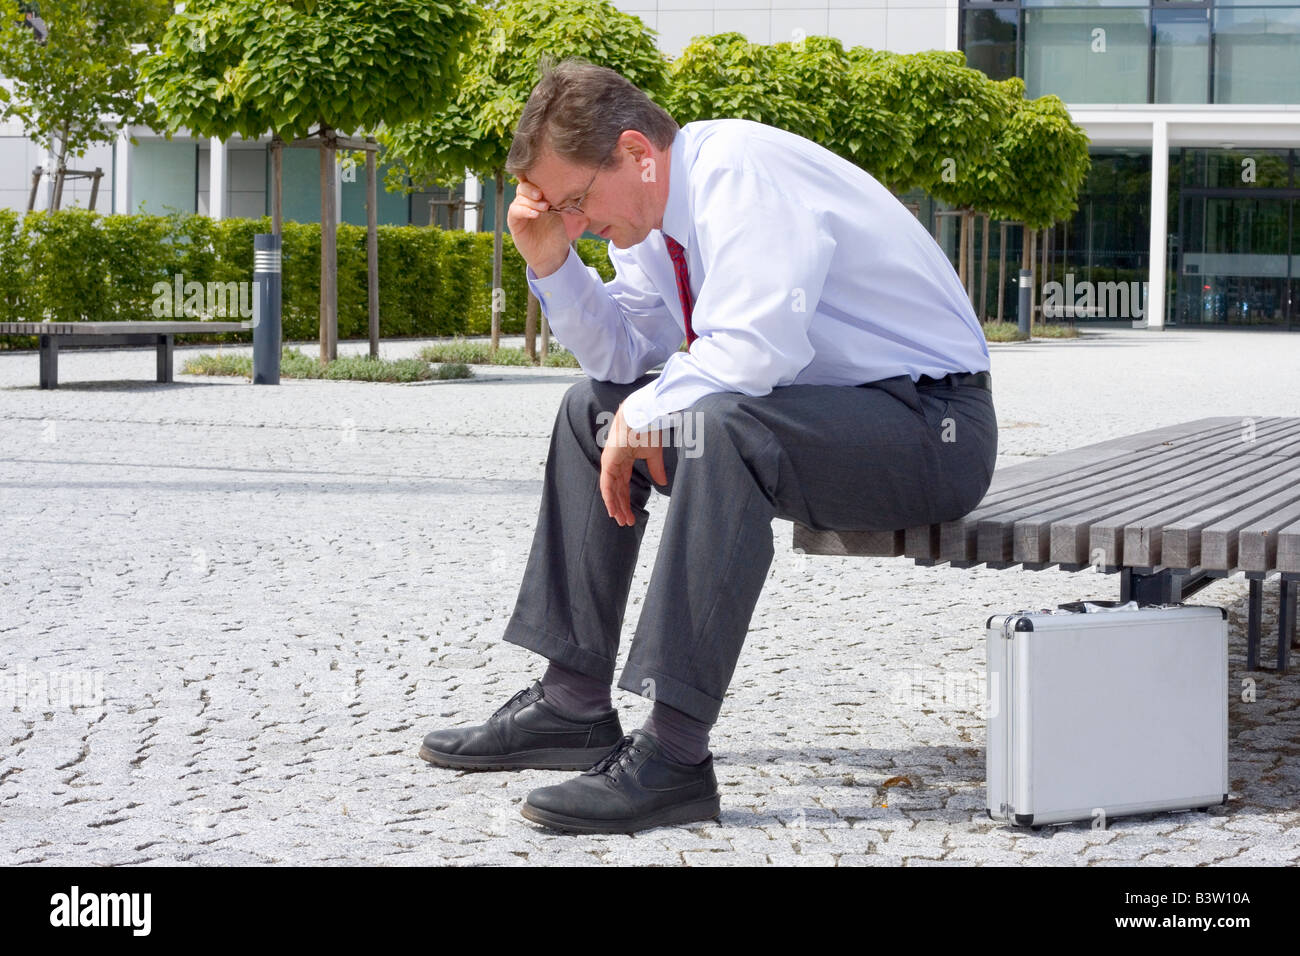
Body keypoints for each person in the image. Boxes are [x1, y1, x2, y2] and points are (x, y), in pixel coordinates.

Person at [419, 58, 998, 836]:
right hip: (831, 415)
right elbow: (621, 359)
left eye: (578, 201)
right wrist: (550, 259)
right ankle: (572, 702)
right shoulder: (658, 227)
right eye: (562, 207)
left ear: (636, 152)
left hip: (930, 427)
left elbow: (756, 348)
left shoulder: (741, 177)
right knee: (591, 409)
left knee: (723, 426)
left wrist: (651, 412)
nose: (579, 221)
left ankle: (675, 757)